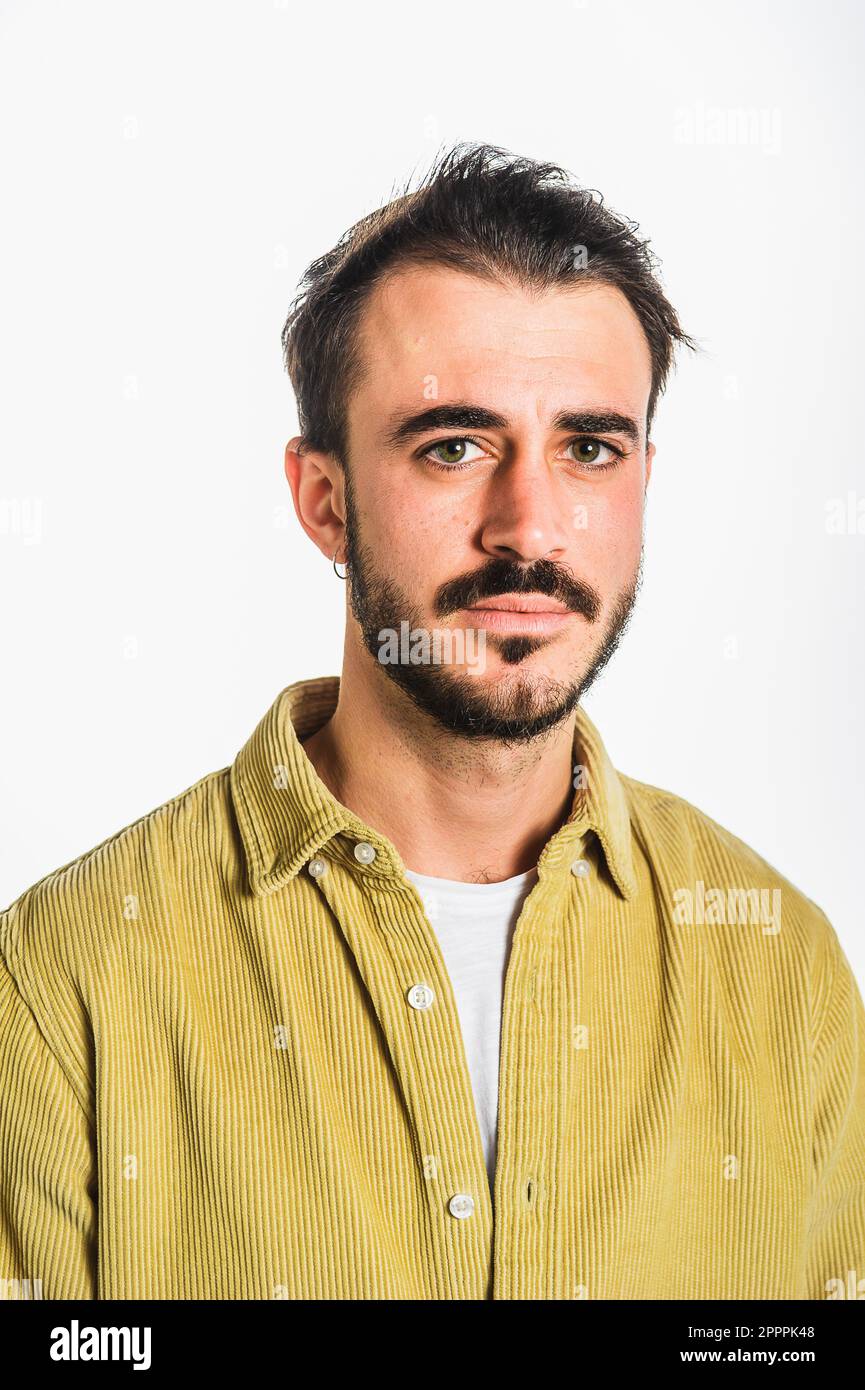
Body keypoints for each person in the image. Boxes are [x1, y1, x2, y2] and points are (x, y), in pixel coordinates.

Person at [1, 143, 863, 1301]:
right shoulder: (65, 977)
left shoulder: (782, 969)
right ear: (324, 500)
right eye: (454, 445)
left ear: (643, 483)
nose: (531, 527)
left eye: (588, 448)